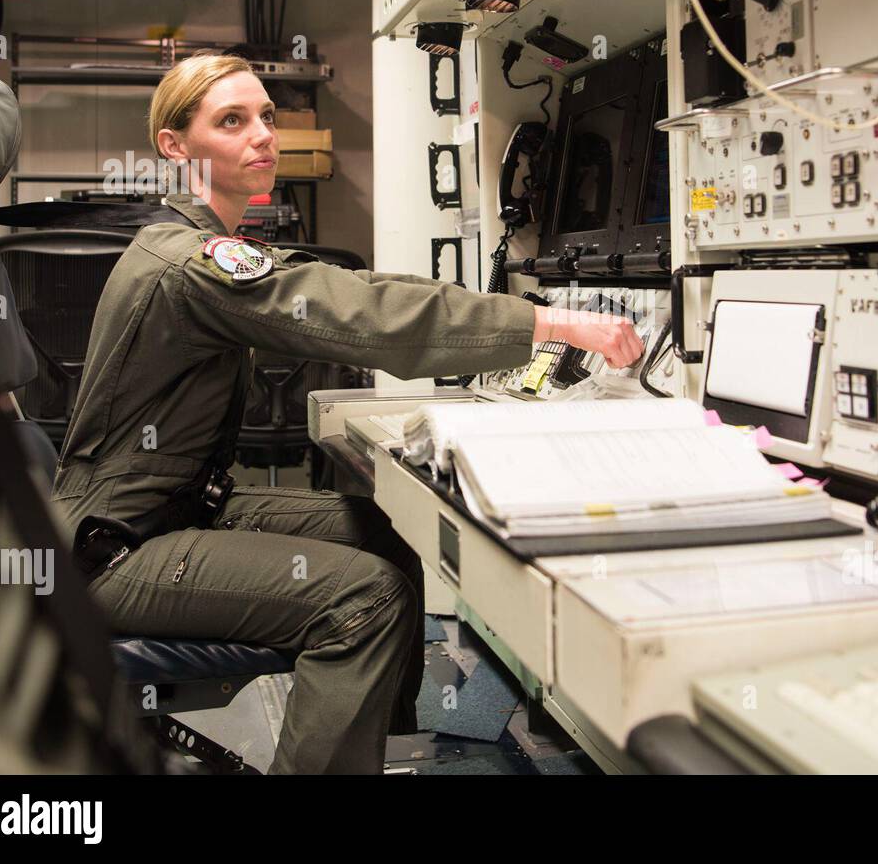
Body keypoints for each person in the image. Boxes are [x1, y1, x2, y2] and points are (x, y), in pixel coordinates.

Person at [49, 51, 643, 774]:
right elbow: (358, 314)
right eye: (231, 121)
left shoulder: (199, 245)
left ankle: (383, 751)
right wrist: (549, 323)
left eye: (267, 116)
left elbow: (357, 286)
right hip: (117, 548)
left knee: (384, 532)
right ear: (175, 147)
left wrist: (511, 316)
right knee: (365, 600)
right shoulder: (193, 264)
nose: (263, 135)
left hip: (172, 510)